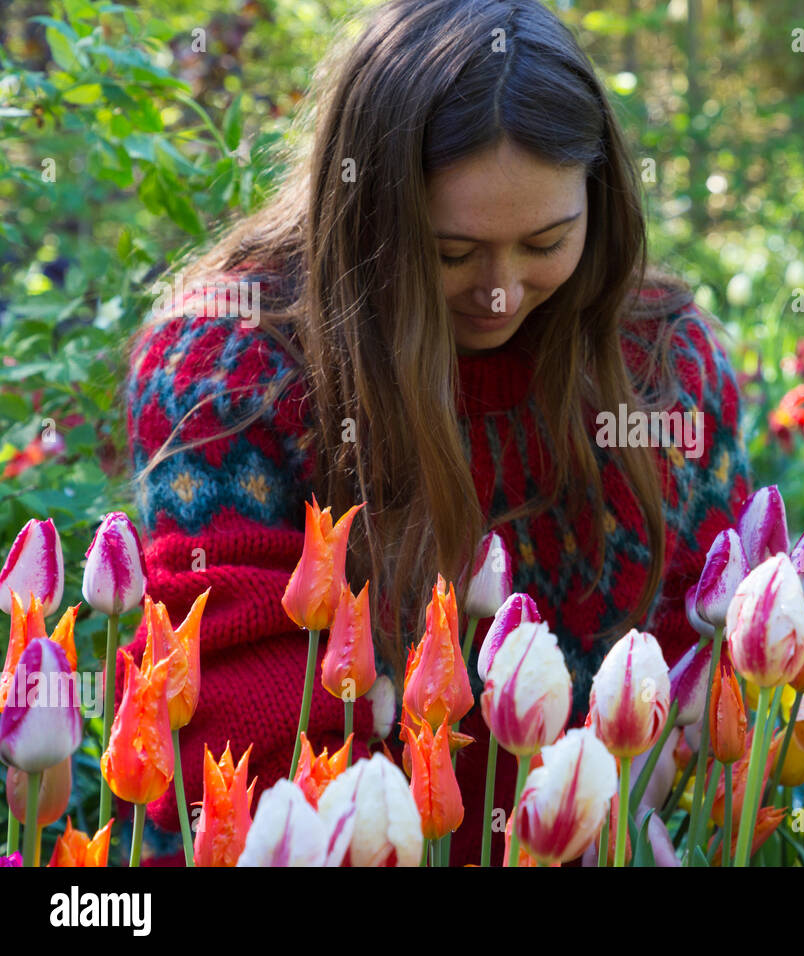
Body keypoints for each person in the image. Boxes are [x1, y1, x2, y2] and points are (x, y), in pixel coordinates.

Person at [121, 0, 751, 866]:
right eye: (450, 254)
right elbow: (233, 716)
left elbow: (709, 648)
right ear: (367, 213)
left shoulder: (660, 362)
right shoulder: (230, 365)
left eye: (546, 242)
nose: (499, 291)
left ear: (597, 206)